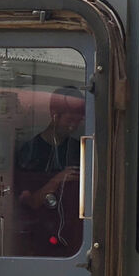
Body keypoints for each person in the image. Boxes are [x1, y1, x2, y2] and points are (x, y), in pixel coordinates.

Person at [15, 87, 85, 255]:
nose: (73, 126)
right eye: (69, 120)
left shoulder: (79, 149)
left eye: (78, 121)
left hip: (76, 235)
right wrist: (58, 180)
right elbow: (29, 201)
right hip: (39, 237)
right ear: (54, 114)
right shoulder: (30, 151)